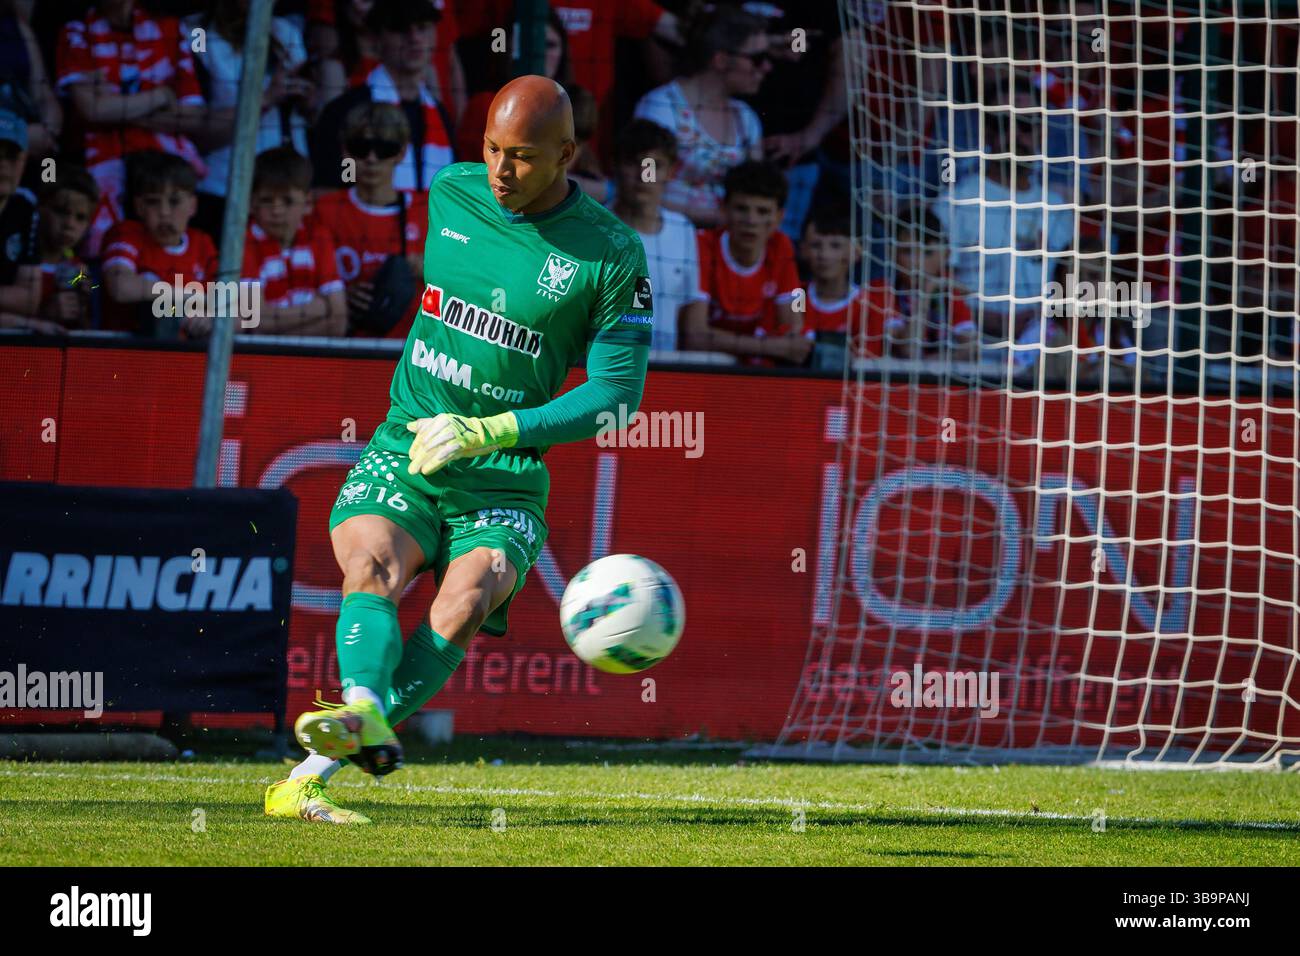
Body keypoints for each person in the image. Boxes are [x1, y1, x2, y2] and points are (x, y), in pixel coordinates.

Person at [264, 76, 655, 824]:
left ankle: (308, 775)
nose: (502, 171)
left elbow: (616, 397)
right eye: (493, 150)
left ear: (568, 154)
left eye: (525, 158)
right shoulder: (449, 192)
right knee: (371, 566)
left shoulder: (613, 252)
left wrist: (493, 429)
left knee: (469, 594)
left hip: (503, 475)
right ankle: (363, 711)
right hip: (409, 443)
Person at [55, 0, 208, 255]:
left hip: (164, 173)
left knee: (164, 255)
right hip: (100, 172)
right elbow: (91, 110)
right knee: (98, 260)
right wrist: (160, 95)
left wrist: (114, 107)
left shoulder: (172, 29)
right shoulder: (77, 31)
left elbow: (194, 115)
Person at [183, 0, 316, 240]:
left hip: (284, 192)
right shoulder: (197, 33)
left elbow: (311, 116)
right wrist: (265, 99)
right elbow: (195, 131)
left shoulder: (286, 31)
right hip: (223, 190)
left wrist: (307, 101)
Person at [633, 6, 767, 228]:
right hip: (665, 232)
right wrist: (714, 218)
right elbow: (641, 186)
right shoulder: (659, 108)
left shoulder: (747, 119)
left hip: (724, 243)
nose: (766, 67)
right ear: (721, 60)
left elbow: (756, 190)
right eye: (758, 59)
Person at [311, 102, 428, 339]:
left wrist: (432, 271)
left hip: (411, 351)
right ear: (346, 151)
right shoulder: (325, 209)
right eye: (361, 148)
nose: (372, 159)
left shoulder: (427, 209)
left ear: (402, 152)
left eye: (385, 149)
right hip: (344, 347)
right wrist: (338, 297)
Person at [310, 0, 453, 194]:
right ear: (376, 39)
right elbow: (326, 196)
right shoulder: (343, 111)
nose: (415, 38)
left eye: (422, 27)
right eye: (400, 29)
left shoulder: (440, 115)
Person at [687, 159, 809, 366]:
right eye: (742, 209)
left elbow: (793, 326)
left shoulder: (781, 246)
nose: (751, 221)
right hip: (704, 367)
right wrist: (767, 346)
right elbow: (695, 337)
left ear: (779, 217)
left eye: (762, 212)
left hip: (753, 370)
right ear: (724, 209)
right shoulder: (701, 244)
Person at [610, 118, 704, 352]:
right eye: (634, 163)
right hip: (603, 372)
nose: (645, 175)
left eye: (655, 166)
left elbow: (690, 320)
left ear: (671, 171)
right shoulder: (593, 226)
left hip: (666, 374)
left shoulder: (684, 230)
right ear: (615, 166)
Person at [232, 146, 346, 338]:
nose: (277, 210)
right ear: (251, 204)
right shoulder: (243, 243)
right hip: (260, 359)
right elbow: (253, 322)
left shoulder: (318, 237)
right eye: (267, 200)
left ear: (308, 204)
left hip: (314, 359)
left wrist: (275, 325)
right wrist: (319, 309)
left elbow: (339, 322)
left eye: (288, 201)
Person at [100, 151, 218, 336]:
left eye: (174, 202)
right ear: (139, 207)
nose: (163, 212)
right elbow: (120, 287)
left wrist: (209, 319)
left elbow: (231, 305)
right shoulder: (125, 233)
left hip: (188, 355)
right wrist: (191, 298)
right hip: (127, 352)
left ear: (193, 206)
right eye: (153, 202)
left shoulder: (202, 243)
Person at [29, 167, 99, 332]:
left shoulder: (81, 270)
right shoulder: (16, 264)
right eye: (61, 212)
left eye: (80, 217)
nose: (69, 224)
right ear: (40, 207)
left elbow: (89, 331)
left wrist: (86, 306)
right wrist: (44, 313)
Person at [0, 108, 39, 329]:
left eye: (11, 155)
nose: (3, 164)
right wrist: (17, 319)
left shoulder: (25, 209)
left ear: (23, 161)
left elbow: (29, 299)